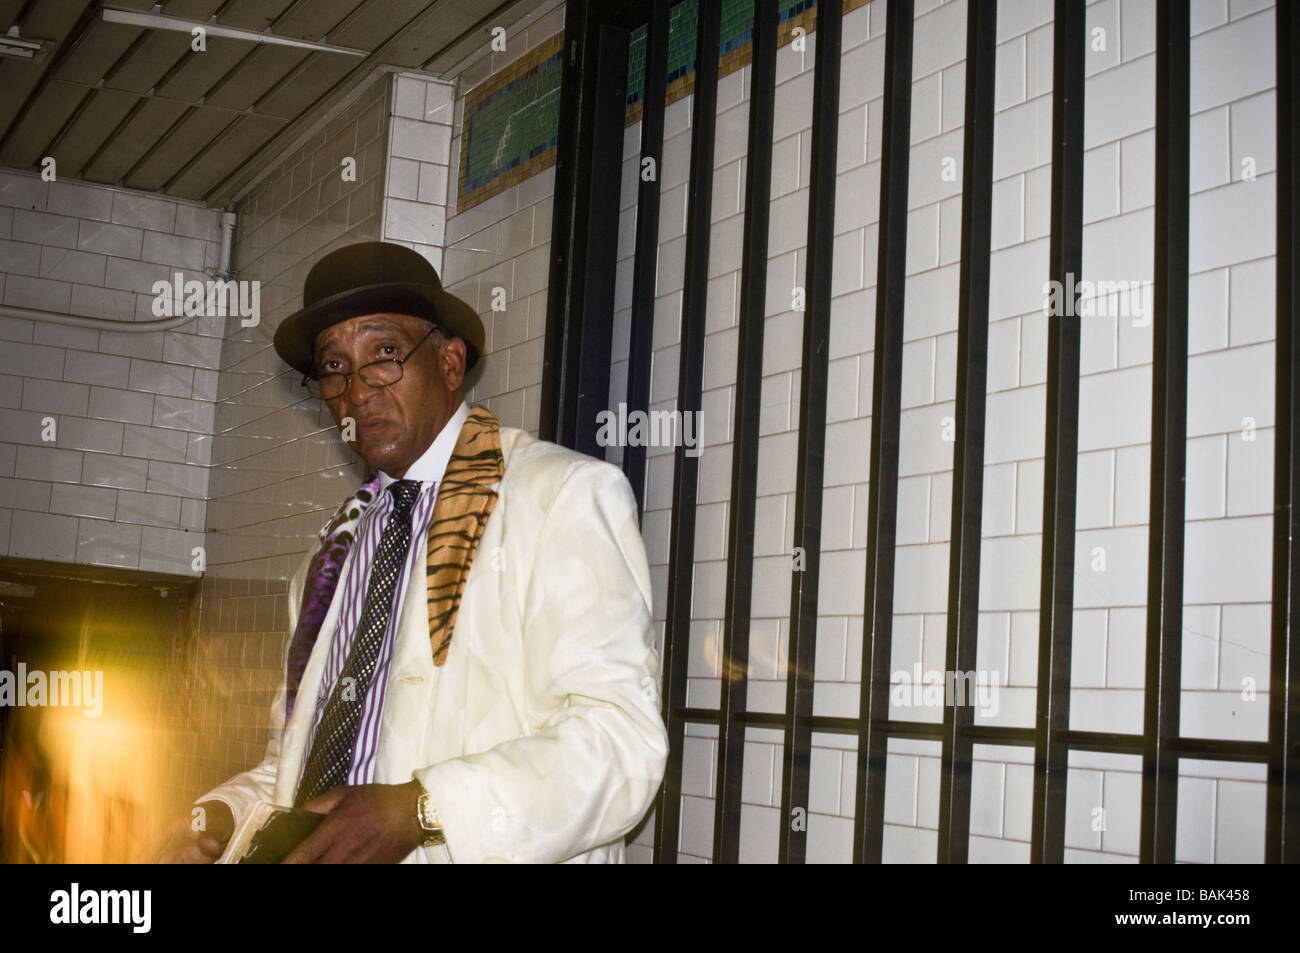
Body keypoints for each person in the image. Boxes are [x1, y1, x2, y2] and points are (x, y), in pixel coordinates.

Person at [154, 241, 667, 863]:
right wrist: (223, 815)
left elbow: (620, 744)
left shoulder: (556, 497)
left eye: (385, 354)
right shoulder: (332, 559)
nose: (357, 388)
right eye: (334, 366)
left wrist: (426, 809)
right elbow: (304, 763)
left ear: (451, 363)